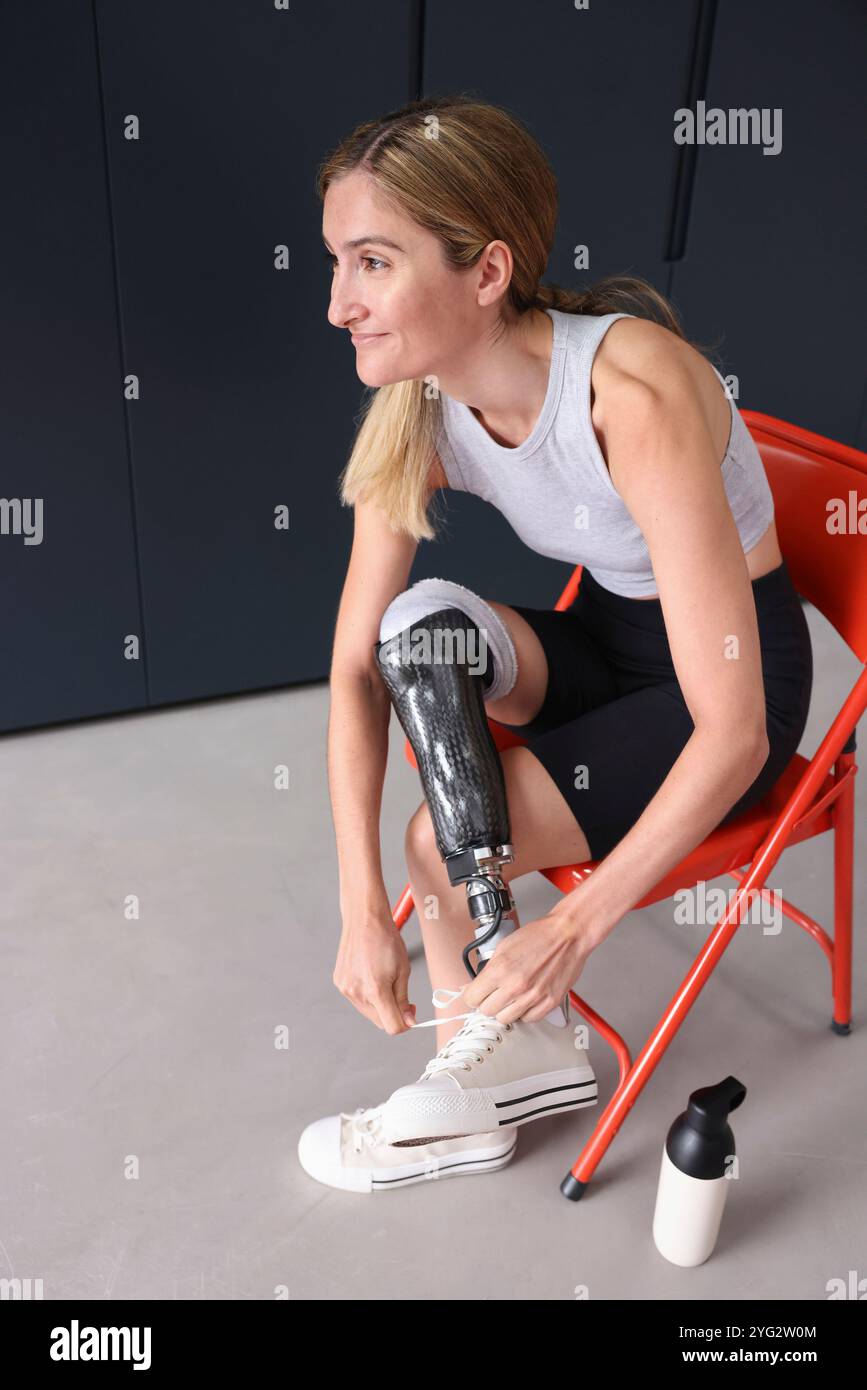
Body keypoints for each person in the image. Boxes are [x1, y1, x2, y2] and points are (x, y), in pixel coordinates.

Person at [296, 96, 813, 1193]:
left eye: (373, 262)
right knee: (415, 628)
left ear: (485, 273)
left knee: (440, 846)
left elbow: (733, 728)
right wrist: (354, 914)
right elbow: (354, 669)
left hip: (730, 687)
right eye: (338, 260)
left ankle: (490, 1071)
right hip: (608, 642)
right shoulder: (417, 406)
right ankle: (496, 1070)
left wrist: (575, 925)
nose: (339, 302)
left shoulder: (632, 389)